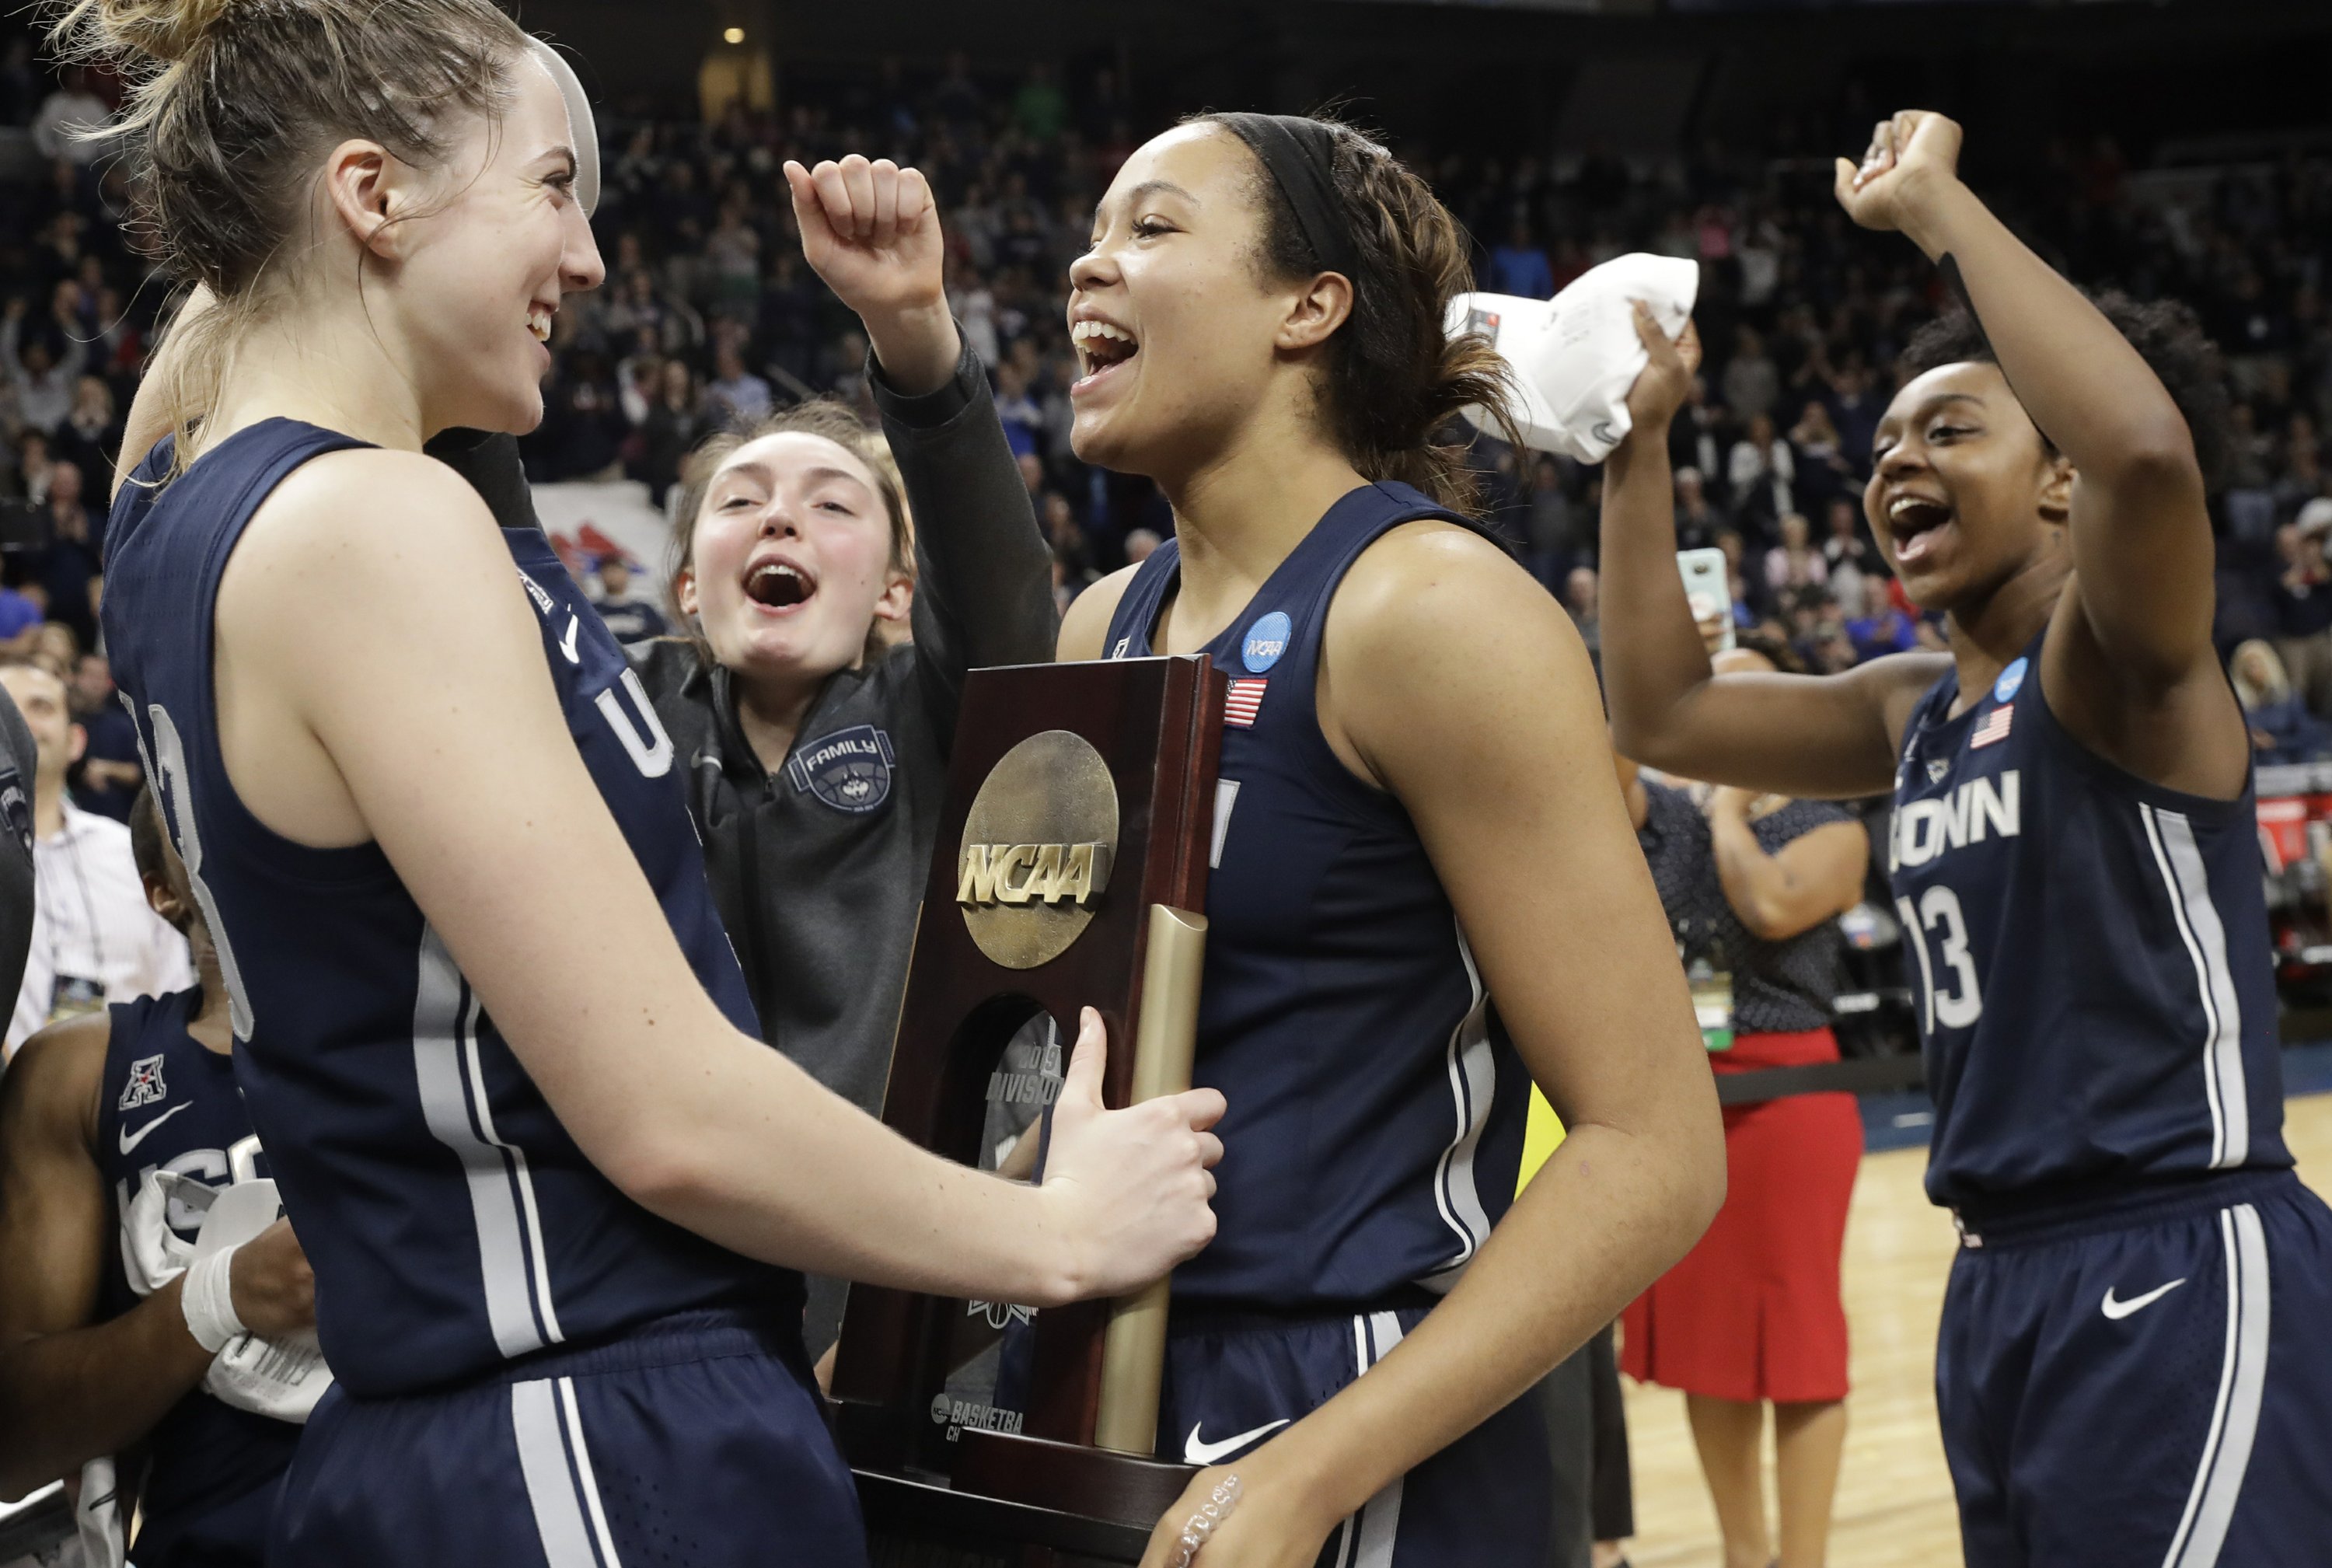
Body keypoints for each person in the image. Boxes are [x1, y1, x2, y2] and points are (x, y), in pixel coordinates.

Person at [82, 5, 1224, 1564]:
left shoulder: (171, 509)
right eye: (555, 187)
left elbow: (251, 260)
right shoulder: (380, 527)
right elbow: (670, 1115)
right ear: (371, 196)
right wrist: (1060, 1236)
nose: (594, 258)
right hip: (588, 1417)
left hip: (450, 1415)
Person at [1597, 108, 2332, 1563]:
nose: (1893, 464)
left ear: (2059, 482)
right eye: (1880, 445)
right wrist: (1642, 443)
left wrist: (1942, 214)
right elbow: (1663, 708)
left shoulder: (2122, 663)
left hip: (2176, 1252)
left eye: (1949, 429)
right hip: (1999, 1276)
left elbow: (2144, 449)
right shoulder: (1904, 709)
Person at [1054, 110, 1723, 1566]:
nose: (1087, 267)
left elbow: (1655, 1148)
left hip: (1357, 1411)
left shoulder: (1429, 610)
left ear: (1311, 305)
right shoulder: (1101, 623)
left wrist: (1306, 1474)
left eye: (1152, 228)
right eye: (1096, 231)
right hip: (1108, 1385)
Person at [634, 154, 1058, 1360]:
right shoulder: (620, 720)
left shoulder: (940, 714)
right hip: (660, 1293)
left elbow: (1002, 585)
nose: (780, 516)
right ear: (685, 585)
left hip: (887, 1289)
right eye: (740, 502)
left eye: (831, 506)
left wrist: (911, 328)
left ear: (894, 592)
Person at [0, 788, 322, 1567]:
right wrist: (218, 1298)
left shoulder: (446, 1045)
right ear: (161, 888)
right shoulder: (78, 1072)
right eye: (205, 802)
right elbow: (16, 1438)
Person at [1615, 643, 1869, 1568]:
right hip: (1689, 1095)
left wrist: (1727, 803)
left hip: (1792, 1098)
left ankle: (1801, 1560)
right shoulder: (1671, 818)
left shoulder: (1829, 823)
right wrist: (1651, 707)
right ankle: (1741, 1553)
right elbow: (1608, 776)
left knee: (1797, 1341)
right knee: (1709, 1342)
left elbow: (1768, 907)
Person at [2, 661, 190, 1055]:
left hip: (132, 1092)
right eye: (5, 710)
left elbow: (175, 986)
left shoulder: (128, 851)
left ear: (76, 741)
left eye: (41, 707)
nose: (20, 722)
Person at [2231, 640, 2330, 765]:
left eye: (2257, 664)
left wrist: (2275, 742)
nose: (2253, 670)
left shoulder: (2288, 700)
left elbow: (2308, 736)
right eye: (2249, 665)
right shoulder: (2236, 704)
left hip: (2286, 761)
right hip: (2252, 763)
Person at [588, 554, 665, 644]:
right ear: (600, 575)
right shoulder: (590, 610)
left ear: (627, 574)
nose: (612, 575)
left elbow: (659, 639)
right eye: (607, 571)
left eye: (616, 570)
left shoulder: (645, 609)